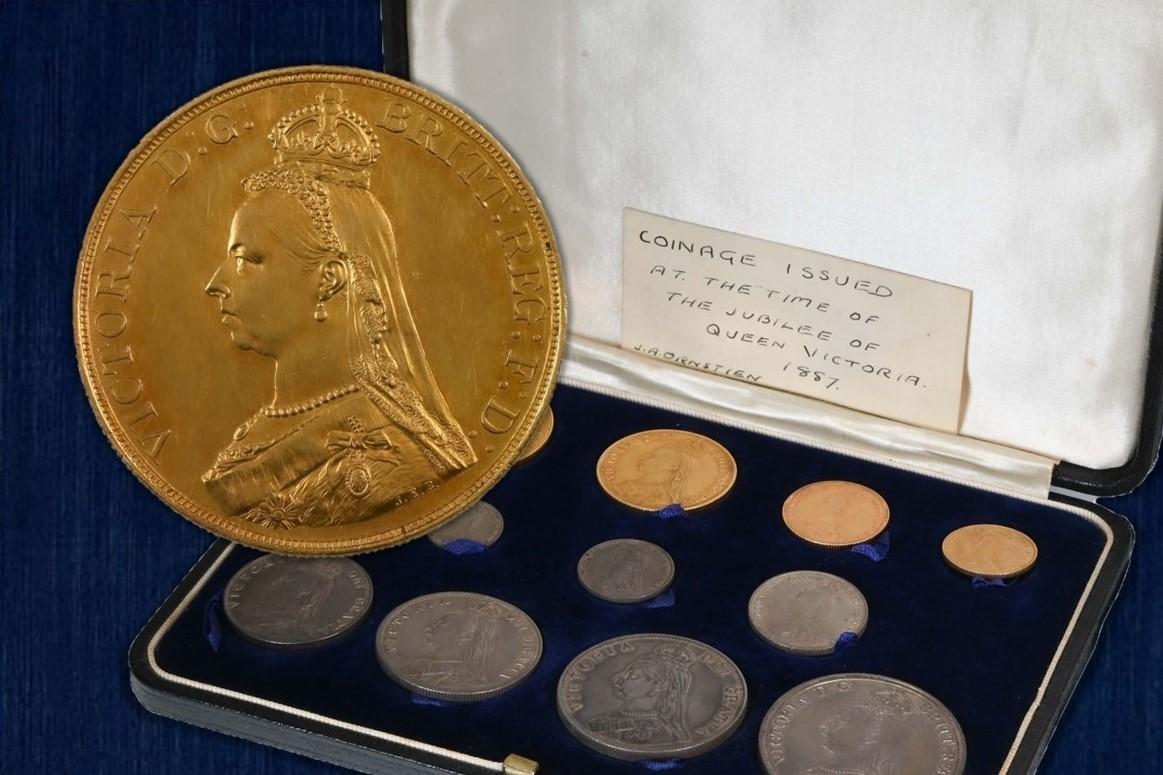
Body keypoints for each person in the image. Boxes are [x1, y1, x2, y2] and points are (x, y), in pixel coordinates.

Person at [201, 87, 475, 529]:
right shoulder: (265, 425)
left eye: (246, 260)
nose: (215, 284)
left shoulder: (392, 454)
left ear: (328, 278)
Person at [588, 645, 695, 745]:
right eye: (626, 676)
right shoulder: (600, 721)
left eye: (634, 677)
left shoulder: (669, 734)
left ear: (660, 685)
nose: (621, 681)